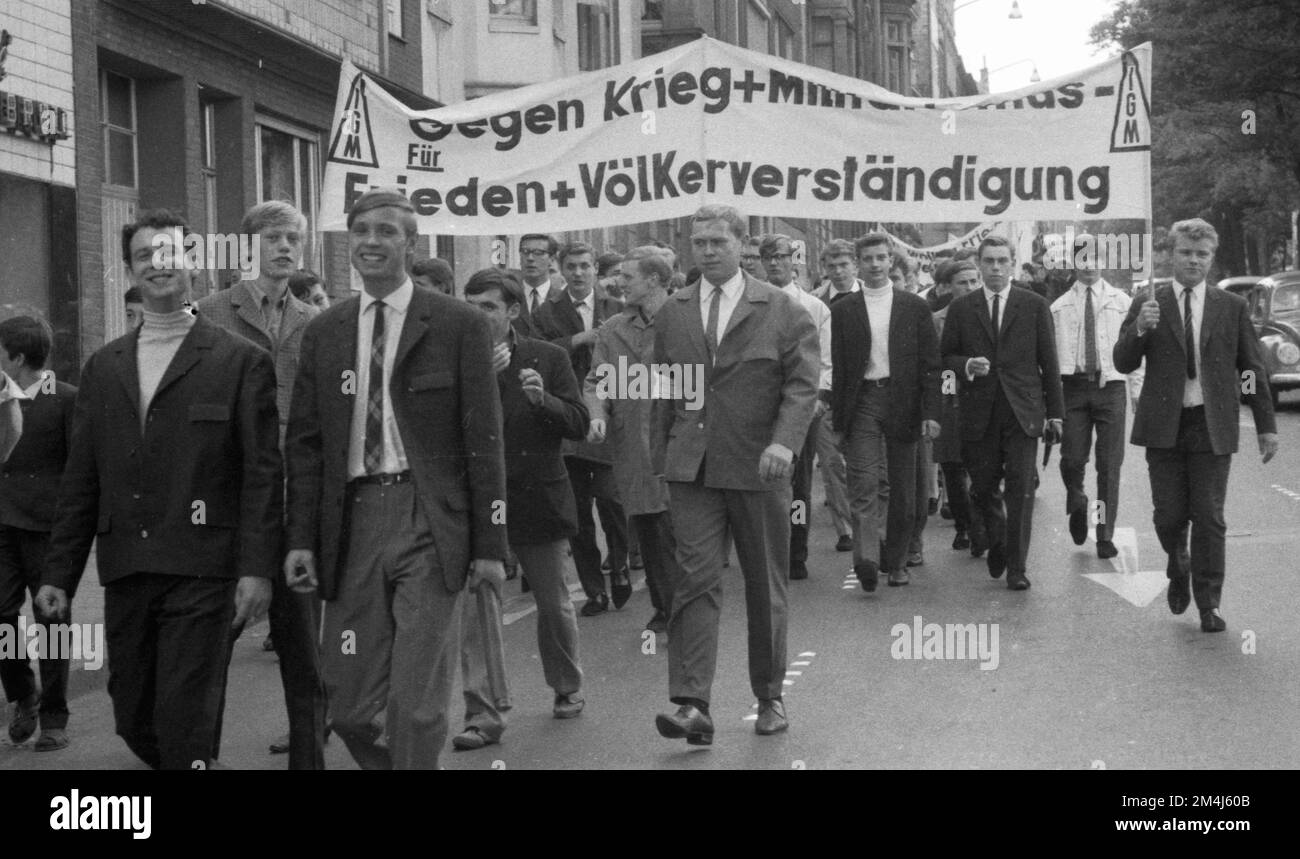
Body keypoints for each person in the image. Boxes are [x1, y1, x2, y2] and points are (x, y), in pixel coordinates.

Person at [37, 209, 281, 770]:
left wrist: (256, 568)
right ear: (130, 270)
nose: (158, 263)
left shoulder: (241, 361)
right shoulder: (103, 368)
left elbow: (263, 476)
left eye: (169, 252)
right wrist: (58, 576)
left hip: (204, 568)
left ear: (193, 263)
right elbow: (81, 480)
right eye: (145, 255)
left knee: (183, 716)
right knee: (132, 712)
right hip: (128, 567)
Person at [283, 188, 507, 769]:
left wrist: (490, 544)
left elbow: (485, 442)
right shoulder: (327, 330)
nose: (372, 242)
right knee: (350, 708)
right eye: (361, 232)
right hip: (353, 523)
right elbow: (306, 446)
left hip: (430, 521)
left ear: (411, 243)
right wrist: (301, 538)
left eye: (386, 232)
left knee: (416, 701)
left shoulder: (458, 325)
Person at [650, 204, 818, 743]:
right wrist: (662, 459)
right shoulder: (673, 311)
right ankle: (691, 704)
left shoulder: (783, 309)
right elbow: (667, 389)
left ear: (741, 244)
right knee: (694, 581)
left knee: (763, 585)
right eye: (698, 242)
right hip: (693, 469)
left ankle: (770, 695)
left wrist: (784, 443)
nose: (706, 251)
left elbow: (802, 386)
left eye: (717, 242)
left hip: (759, 466)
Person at [195, 200, 326, 769]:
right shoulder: (208, 312)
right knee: (211, 643)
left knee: (302, 645)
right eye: (274, 238)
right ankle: (201, 755)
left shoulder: (317, 322)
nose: (285, 248)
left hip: (295, 496)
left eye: (293, 239)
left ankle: (308, 757)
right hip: (231, 498)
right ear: (249, 245)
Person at [1113, 218, 1277, 632]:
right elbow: (1122, 362)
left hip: (1211, 424)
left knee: (1210, 516)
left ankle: (1209, 603)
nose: (1193, 261)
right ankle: (1177, 557)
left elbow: (1250, 369)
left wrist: (1265, 424)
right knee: (1168, 516)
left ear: (1211, 259)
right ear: (1172, 254)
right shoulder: (1149, 302)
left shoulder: (1230, 307)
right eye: (1186, 252)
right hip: (1164, 425)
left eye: (1201, 255)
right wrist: (1139, 328)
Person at [453, 269, 588, 750]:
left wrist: (542, 399)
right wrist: (480, 380)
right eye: (469, 303)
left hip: (536, 496)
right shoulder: (453, 357)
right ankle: (483, 713)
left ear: (511, 311)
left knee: (553, 602)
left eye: (487, 306)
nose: (475, 314)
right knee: (479, 605)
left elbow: (578, 422)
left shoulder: (548, 356)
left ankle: (566, 685)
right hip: (477, 502)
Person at [941, 236, 1064, 591]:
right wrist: (966, 364)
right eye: (989, 261)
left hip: (1022, 410)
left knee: (1021, 488)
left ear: (1012, 264)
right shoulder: (963, 308)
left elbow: (1049, 362)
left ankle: (1017, 566)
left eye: (1002, 261)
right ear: (979, 264)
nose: (996, 268)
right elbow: (944, 357)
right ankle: (998, 539)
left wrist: (1055, 414)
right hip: (979, 411)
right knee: (981, 488)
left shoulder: (1034, 305)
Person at [831, 233, 940, 590]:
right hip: (862, 400)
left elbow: (930, 364)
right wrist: (837, 414)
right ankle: (866, 558)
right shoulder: (844, 310)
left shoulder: (913, 307)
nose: (875, 265)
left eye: (881, 258)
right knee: (863, 480)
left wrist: (930, 411)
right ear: (859, 263)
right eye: (868, 259)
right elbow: (840, 365)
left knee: (902, 486)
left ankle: (895, 561)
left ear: (891, 261)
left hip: (903, 400)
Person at [586, 248, 682, 632]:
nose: (618, 283)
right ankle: (664, 605)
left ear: (655, 280)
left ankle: (681, 608)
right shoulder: (613, 329)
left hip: (678, 443)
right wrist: (596, 415)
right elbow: (597, 381)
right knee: (648, 527)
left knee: (677, 530)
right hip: (632, 448)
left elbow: (704, 381)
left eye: (627, 276)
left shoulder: (686, 320)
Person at [534, 241, 630, 616]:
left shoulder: (616, 309)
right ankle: (595, 591)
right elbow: (538, 350)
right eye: (571, 266)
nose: (578, 273)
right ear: (561, 269)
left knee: (611, 499)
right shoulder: (547, 312)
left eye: (585, 266)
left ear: (594, 270)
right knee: (577, 511)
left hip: (608, 416)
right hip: (569, 419)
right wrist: (579, 339)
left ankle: (619, 565)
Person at [0, 316, 76, 751]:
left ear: (18, 357)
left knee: (52, 621)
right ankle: (24, 695)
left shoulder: (66, 400)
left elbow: (81, 472)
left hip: (48, 531)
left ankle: (54, 716)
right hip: (2, 527)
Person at [1050, 232, 1138, 560]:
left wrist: (1136, 391)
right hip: (1073, 388)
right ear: (1073, 263)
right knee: (1072, 458)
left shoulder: (1122, 301)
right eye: (1083, 259)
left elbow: (1135, 351)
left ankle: (1103, 533)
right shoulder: (1059, 307)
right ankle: (1077, 499)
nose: (1090, 265)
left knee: (1109, 466)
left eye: (1096, 258)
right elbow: (1050, 359)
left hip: (1111, 388)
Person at [760, 234, 833, 580]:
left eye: (780, 257)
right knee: (766, 480)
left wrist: (818, 397)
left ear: (794, 260)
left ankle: (796, 551)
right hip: (762, 405)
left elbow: (826, 359)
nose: (774, 263)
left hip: (802, 405)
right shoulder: (753, 303)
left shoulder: (814, 307)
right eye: (767, 257)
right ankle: (769, 548)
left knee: (799, 486)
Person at [929, 260, 986, 557]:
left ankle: (980, 524)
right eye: (962, 282)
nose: (969, 287)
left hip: (981, 400)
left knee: (981, 467)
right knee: (952, 467)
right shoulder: (936, 320)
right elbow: (933, 363)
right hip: (948, 399)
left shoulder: (987, 315)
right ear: (948, 287)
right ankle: (964, 526)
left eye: (974, 281)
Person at [518, 234, 558, 327]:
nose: (530, 258)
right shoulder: (511, 296)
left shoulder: (563, 299)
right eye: (525, 252)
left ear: (551, 259)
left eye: (538, 253)